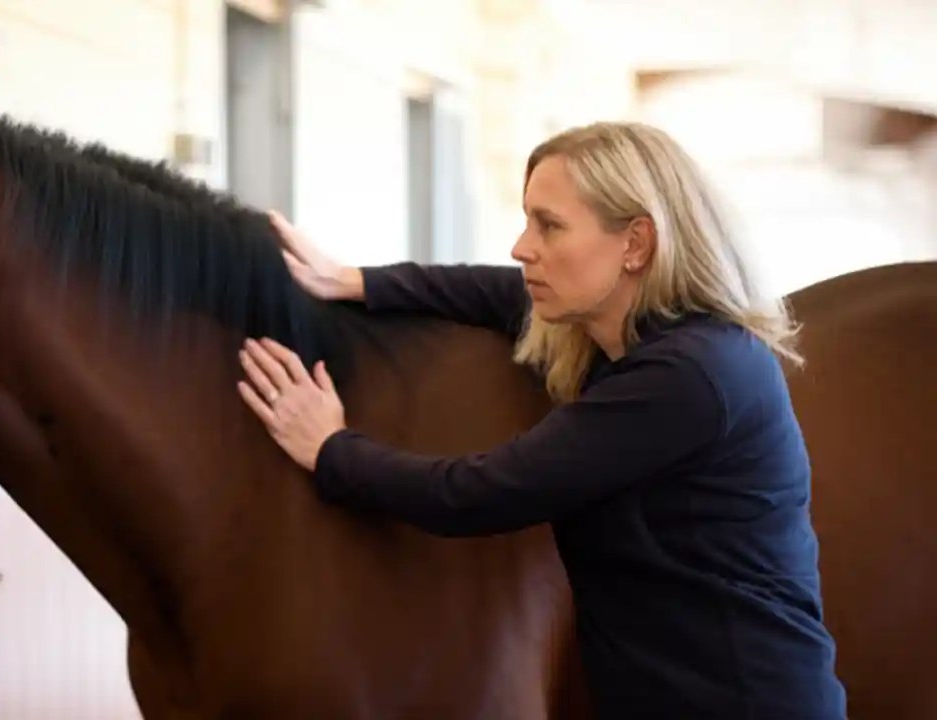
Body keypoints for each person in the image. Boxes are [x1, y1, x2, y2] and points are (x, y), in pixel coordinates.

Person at [236, 121, 847, 719]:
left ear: (635, 244)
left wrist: (330, 448)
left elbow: (478, 494)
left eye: (549, 225)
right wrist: (356, 280)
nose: (522, 247)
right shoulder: (636, 336)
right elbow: (501, 292)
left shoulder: (689, 376)